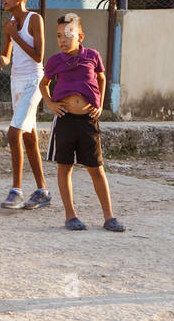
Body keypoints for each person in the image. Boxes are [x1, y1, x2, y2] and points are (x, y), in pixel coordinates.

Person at [38, 13, 125, 232]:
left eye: (68, 34)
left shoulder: (92, 56)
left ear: (80, 35)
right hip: (65, 121)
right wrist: (50, 104)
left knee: (96, 168)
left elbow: (102, 78)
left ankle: (109, 217)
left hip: (88, 121)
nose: (63, 40)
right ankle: (71, 216)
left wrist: (100, 103)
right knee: (64, 167)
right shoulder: (55, 61)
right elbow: (44, 84)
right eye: (59, 36)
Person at [0, 0, 51, 210]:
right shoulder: (10, 22)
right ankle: (43, 191)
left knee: (14, 134)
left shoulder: (35, 19)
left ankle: (16, 191)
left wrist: (14, 35)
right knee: (28, 136)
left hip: (33, 82)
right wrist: (0, 59)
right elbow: (7, 54)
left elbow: (39, 56)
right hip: (16, 81)